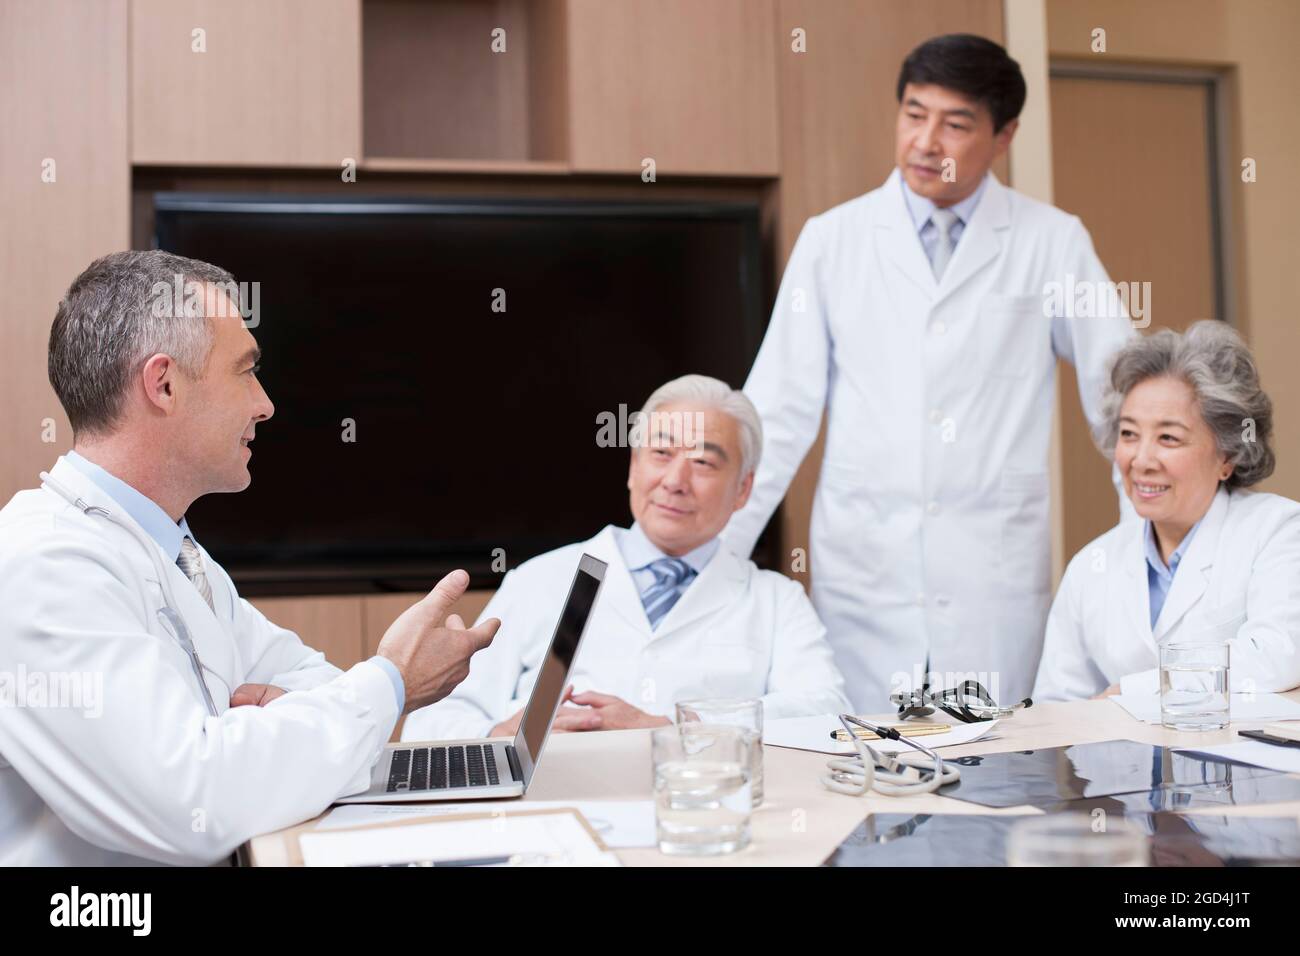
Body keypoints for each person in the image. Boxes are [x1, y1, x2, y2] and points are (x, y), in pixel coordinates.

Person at [0, 251, 498, 865]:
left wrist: (266, 739)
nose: (264, 404)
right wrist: (391, 680)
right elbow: (191, 798)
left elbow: (313, 684)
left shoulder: (175, 552)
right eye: (245, 372)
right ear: (163, 384)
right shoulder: (43, 565)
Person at [723, 33, 1135, 712]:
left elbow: (1121, 402)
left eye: (955, 123)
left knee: (995, 783)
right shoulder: (835, 240)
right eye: (914, 114)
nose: (925, 141)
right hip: (865, 577)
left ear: (1004, 137)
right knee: (864, 786)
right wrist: (715, 561)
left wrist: (1142, 554)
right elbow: (777, 412)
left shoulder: (1053, 242)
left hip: (991, 582)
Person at [402, 375, 850, 742]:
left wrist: (673, 728)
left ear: (743, 491)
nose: (675, 480)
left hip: (704, 828)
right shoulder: (539, 580)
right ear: (634, 466)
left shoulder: (776, 600)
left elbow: (826, 714)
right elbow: (430, 721)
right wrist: (500, 734)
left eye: (704, 463)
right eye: (661, 453)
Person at [1033, 322, 1300, 700]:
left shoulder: (1278, 531)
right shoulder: (1091, 566)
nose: (1141, 460)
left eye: (1168, 438)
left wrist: (1134, 691)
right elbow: (1057, 708)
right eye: (1128, 434)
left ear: (1228, 455)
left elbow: (1277, 657)